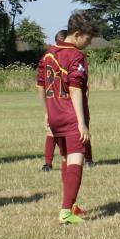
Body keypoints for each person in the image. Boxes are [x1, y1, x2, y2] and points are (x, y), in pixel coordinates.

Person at [40, 12, 97, 224]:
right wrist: (82, 122)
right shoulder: (75, 56)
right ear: (77, 34)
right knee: (76, 160)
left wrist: (47, 111)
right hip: (70, 114)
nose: (88, 44)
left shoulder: (48, 53)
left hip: (54, 114)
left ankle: (71, 205)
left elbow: (40, 84)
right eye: (87, 39)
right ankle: (66, 212)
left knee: (65, 159)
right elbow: (75, 89)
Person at [37, 30, 67, 172]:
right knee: (66, 132)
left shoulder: (45, 57)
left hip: (51, 100)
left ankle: (47, 164)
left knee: (52, 131)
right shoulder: (67, 56)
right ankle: (68, 158)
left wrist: (45, 110)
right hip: (64, 99)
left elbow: (39, 84)